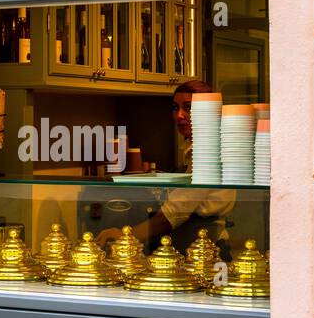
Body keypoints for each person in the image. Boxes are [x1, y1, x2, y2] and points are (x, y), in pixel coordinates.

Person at [96, 79, 236, 256]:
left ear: (207, 111)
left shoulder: (208, 152)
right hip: (190, 249)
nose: (179, 115)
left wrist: (125, 236)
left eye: (188, 108)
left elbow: (172, 214)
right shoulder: (195, 149)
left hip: (208, 252)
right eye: (175, 108)